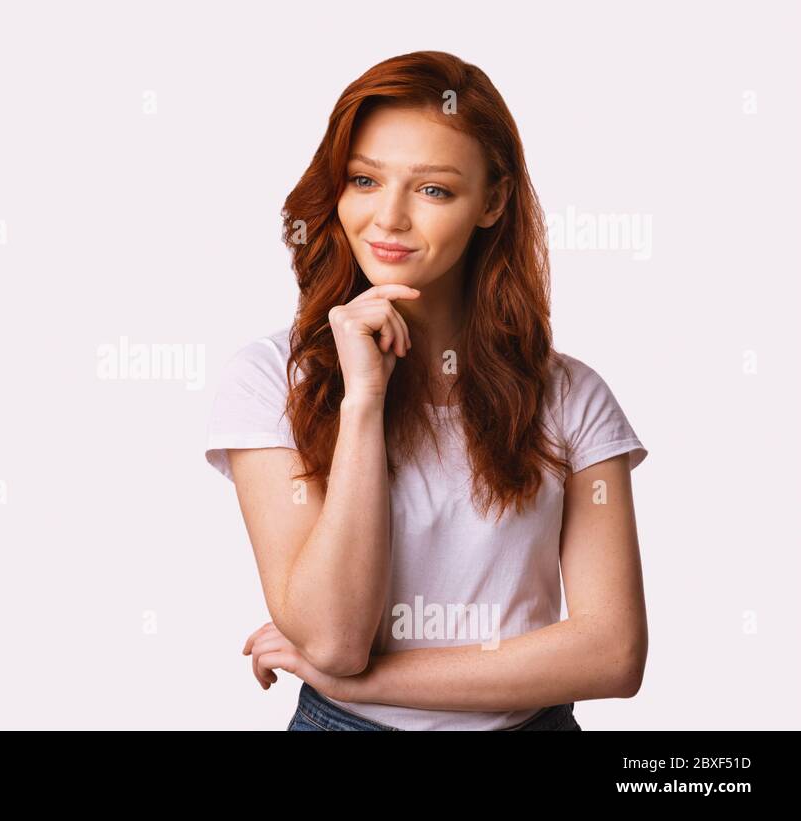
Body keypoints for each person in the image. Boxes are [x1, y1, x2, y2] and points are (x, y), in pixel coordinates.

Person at [204, 51, 649, 731]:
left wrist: (372, 679)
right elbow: (334, 636)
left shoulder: (571, 395)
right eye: (363, 179)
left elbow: (613, 653)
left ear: (493, 201)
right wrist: (362, 402)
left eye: (433, 189)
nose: (388, 218)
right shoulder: (270, 379)